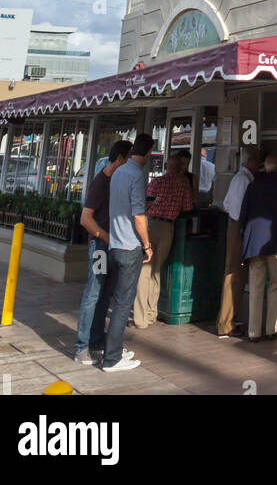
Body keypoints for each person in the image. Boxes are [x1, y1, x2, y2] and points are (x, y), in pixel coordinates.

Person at [72, 140, 133, 364]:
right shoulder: (101, 183)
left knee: (104, 294)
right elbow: (85, 219)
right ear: (120, 159)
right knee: (93, 293)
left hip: (110, 245)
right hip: (99, 246)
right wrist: (108, 238)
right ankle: (81, 347)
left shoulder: (115, 181)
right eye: (129, 160)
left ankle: (97, 340)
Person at [101, 132, 154, 372]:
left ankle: (111, 348)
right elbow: (138, 216)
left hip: (114, 245)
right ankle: (112, 358)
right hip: (130, 246)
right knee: (123, 304)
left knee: (113, 300)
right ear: (149, 153)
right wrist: (147, 245)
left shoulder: (119, 171)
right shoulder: (136, 175)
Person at [132, 151, 194, 329]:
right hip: (169, 227)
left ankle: (141, 318)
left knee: (144, 271)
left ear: (167, 166)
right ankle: (152, 314)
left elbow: (145, 204)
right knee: (156, 271)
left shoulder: (156, 182)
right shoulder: (184, 184)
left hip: (151, 225)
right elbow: (188, 207)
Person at [240, 153, 277, 342]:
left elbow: (243, 212)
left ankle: (254, 332)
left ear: (265, 167)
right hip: (276, 240)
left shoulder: (254, 184)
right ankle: (271, 329)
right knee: (275, 284)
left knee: (255, 286)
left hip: (256, 243)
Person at [216, 145, 262, 338]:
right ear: (249, 162)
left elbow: (226, 203)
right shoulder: (243, 180)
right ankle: (225, 323)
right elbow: (235, 209)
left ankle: (230, 319)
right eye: (257, 161)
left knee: (237, 275)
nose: (258, 166)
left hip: (237, 227)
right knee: (233, 274)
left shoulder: (242, 179)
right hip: (238, 228)